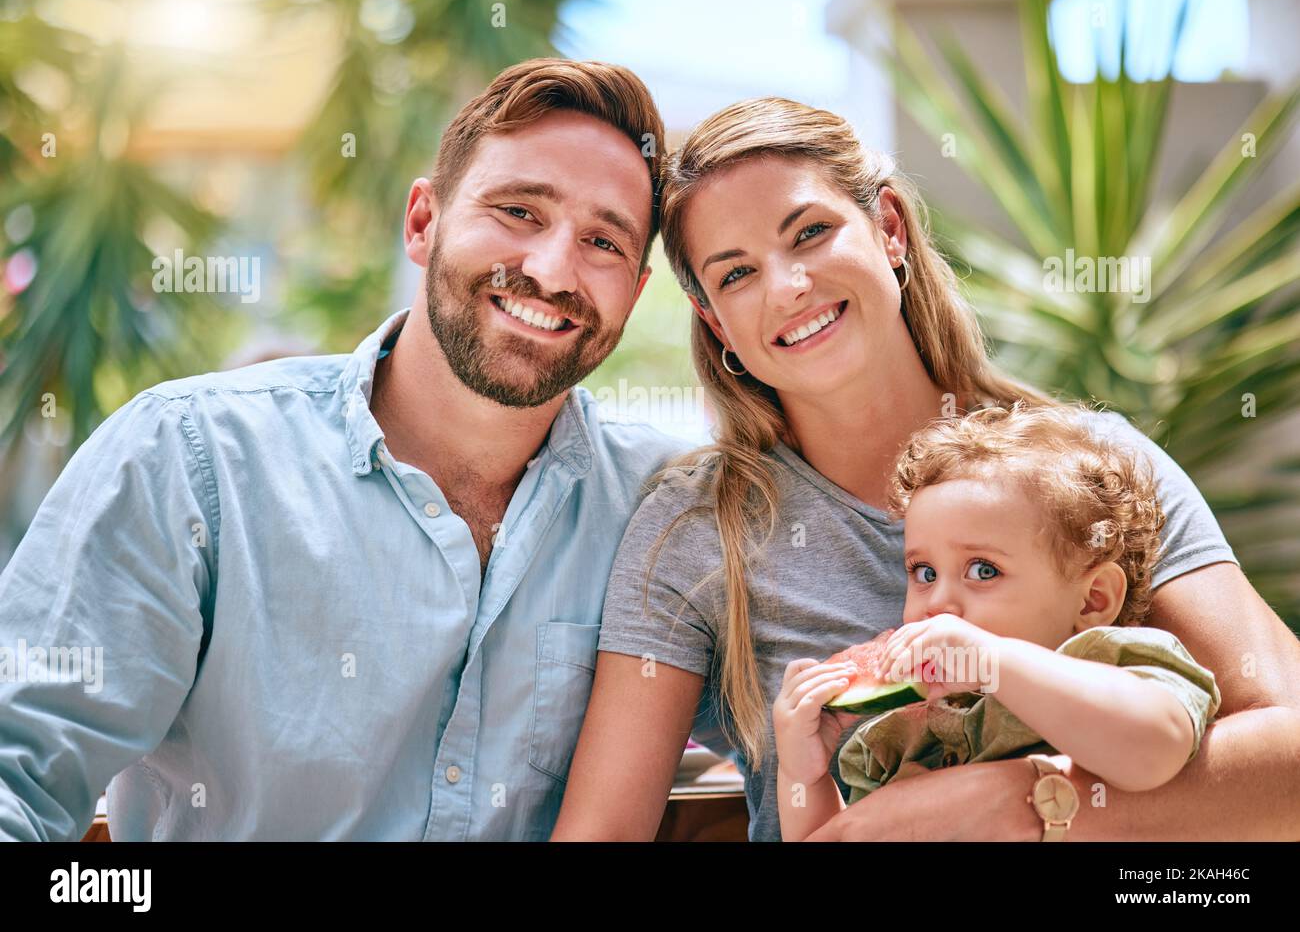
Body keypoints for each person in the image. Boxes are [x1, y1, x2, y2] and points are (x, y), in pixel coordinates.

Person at [551, 97, 1300, 842]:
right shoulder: (694, 531)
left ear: (889, 229)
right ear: (716, 322)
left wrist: (1027, 802)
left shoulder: (1094, 466)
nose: (787, 288)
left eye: (810, 233)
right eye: (738, 273)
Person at [0, 58, 689, 840]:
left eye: (603, 240)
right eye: (520, 211)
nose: (551, 269)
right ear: (423, 223)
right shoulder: (190, 459)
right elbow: (16, 772)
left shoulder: (661, 509)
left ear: (634, 293)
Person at [773, 403, 1221, 841]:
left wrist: (992, 660)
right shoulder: (903, 734)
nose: (939, 601)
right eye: (924, 573)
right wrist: (803, 775)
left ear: (1093, 600)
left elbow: (1154, 750)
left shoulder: (1113, 667)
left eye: (983, 570)